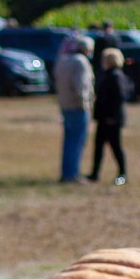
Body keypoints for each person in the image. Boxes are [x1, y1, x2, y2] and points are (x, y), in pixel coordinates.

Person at [54, 34, 94, 183]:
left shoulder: (63, 60)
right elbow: (81, 86)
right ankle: (73, 174)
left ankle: (67, 172)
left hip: (65, 106)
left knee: (68, 141)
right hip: (77, 107)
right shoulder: (80, 62)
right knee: (77, 142)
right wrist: (84, 104)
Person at [89, 47, 131, 185]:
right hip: (103, 118)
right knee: (98, 146)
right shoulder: (109, 74)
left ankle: (122, 174)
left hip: (111, 119)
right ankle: (94, 174)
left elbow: (119, 98)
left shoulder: (115, 76)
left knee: (115, 147)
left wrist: (113, 117)